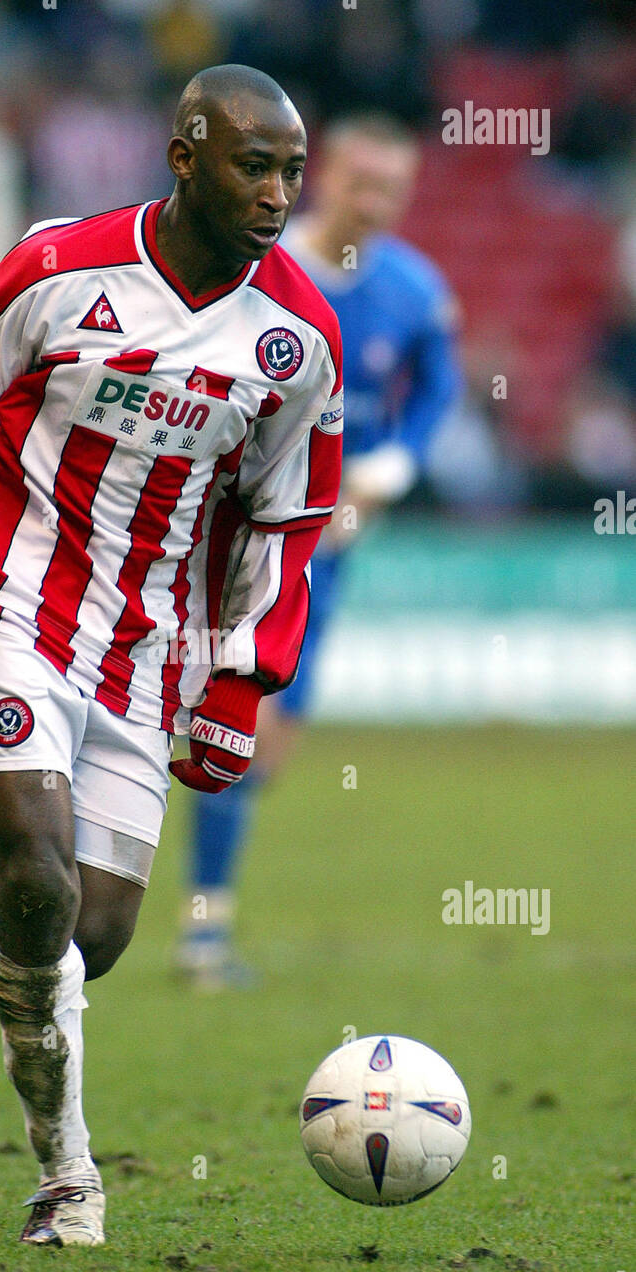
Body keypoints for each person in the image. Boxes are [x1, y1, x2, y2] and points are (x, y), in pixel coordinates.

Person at [0, 64, 343, 1247]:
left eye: (292, 169)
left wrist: (238, 679)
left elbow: (285, 521)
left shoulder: (297, 338)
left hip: (148, 655)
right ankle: (67, 1179)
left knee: (86, 939)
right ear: (184, 155)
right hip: (14, 610)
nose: (278, 191)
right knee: (39, 886)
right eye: (254, 163)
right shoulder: (56, 267)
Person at [174, 113, 462, 987]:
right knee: (200, 725)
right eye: (359, 183)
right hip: (219, 542)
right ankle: (186, 927)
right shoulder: (262, 269)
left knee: (262, 750)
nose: (373, 204)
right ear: (321, 178)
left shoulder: (414, 291)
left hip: (321, 559)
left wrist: (392, 465)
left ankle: (196, 917)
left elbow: (435, 392)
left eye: (391, 190)